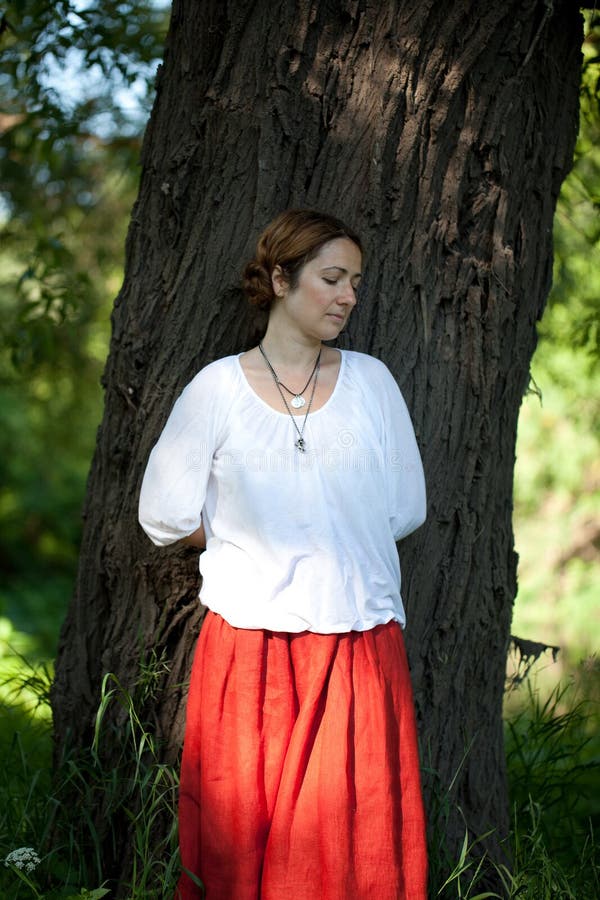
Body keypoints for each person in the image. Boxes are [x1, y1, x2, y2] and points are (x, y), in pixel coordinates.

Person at [138, 209, 428, 899]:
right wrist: (240, 530)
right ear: (279, 278)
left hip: (357, 641)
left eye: (355, 281)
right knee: (244, 853)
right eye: (331, 279)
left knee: (353, 854)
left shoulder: (373, 384)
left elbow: (404, 509)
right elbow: (161, 514)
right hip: (251, 654)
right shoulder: (217, 390)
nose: (348, 296)